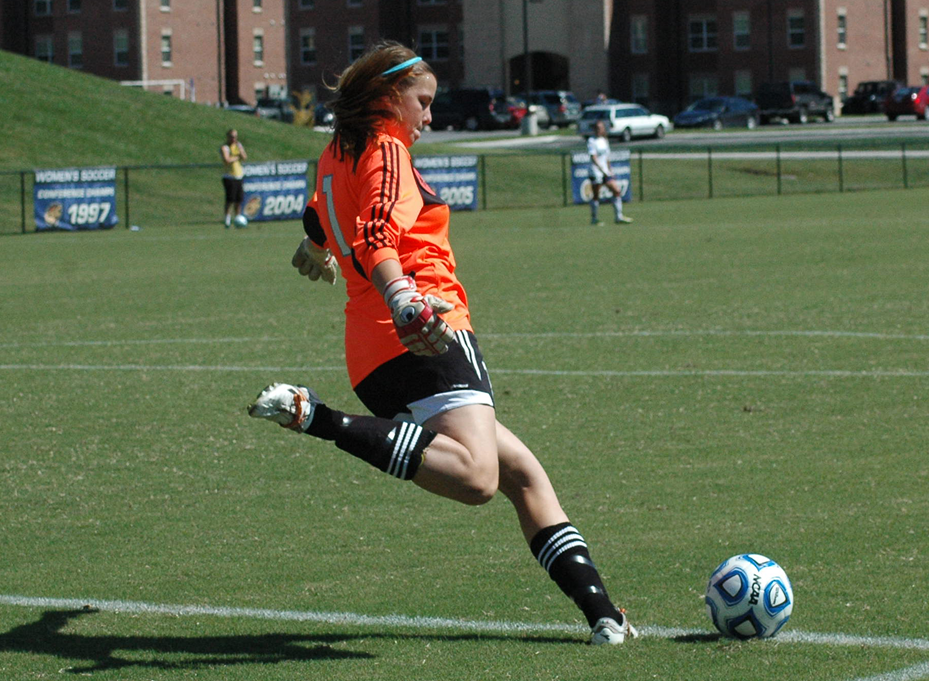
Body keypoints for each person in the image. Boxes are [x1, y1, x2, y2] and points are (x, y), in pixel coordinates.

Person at [246, 41, 637, 645]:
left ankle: (605, 617)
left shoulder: (335, 153)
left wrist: (315, 249)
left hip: (371, 354)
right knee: (480, 478)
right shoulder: (386, 148)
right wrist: (405, 300)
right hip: (427, 331)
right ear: (387, 98)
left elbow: (321, 218)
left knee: (525, 477)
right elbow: (378, 234)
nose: (429, 117)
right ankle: (316, 417)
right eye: (422, 103)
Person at [586, 120, 632, 226]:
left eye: (600, 128)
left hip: (605, 172)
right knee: (596, 195)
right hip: (595, 171)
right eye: (596, 128)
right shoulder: (592, 141)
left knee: (616, 190)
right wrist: (601, 169)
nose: (598, 130)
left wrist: (610, 170)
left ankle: (618, 217)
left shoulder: (604, 140)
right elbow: (593, 157)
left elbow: (606, 158)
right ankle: (594, 219)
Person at [220, 129, 247, 228]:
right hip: (229, 176)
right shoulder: (225, 147)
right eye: (231, 136)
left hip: (238, 175)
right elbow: (227, 160)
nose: (233, 139)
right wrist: (236, 157)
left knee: (238, 200)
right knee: (230, 199)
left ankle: (238, 219)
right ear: (228, 137)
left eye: (235, 136)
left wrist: (240, 152)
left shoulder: (238, 146)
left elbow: (244, 157)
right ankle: (227, 220)